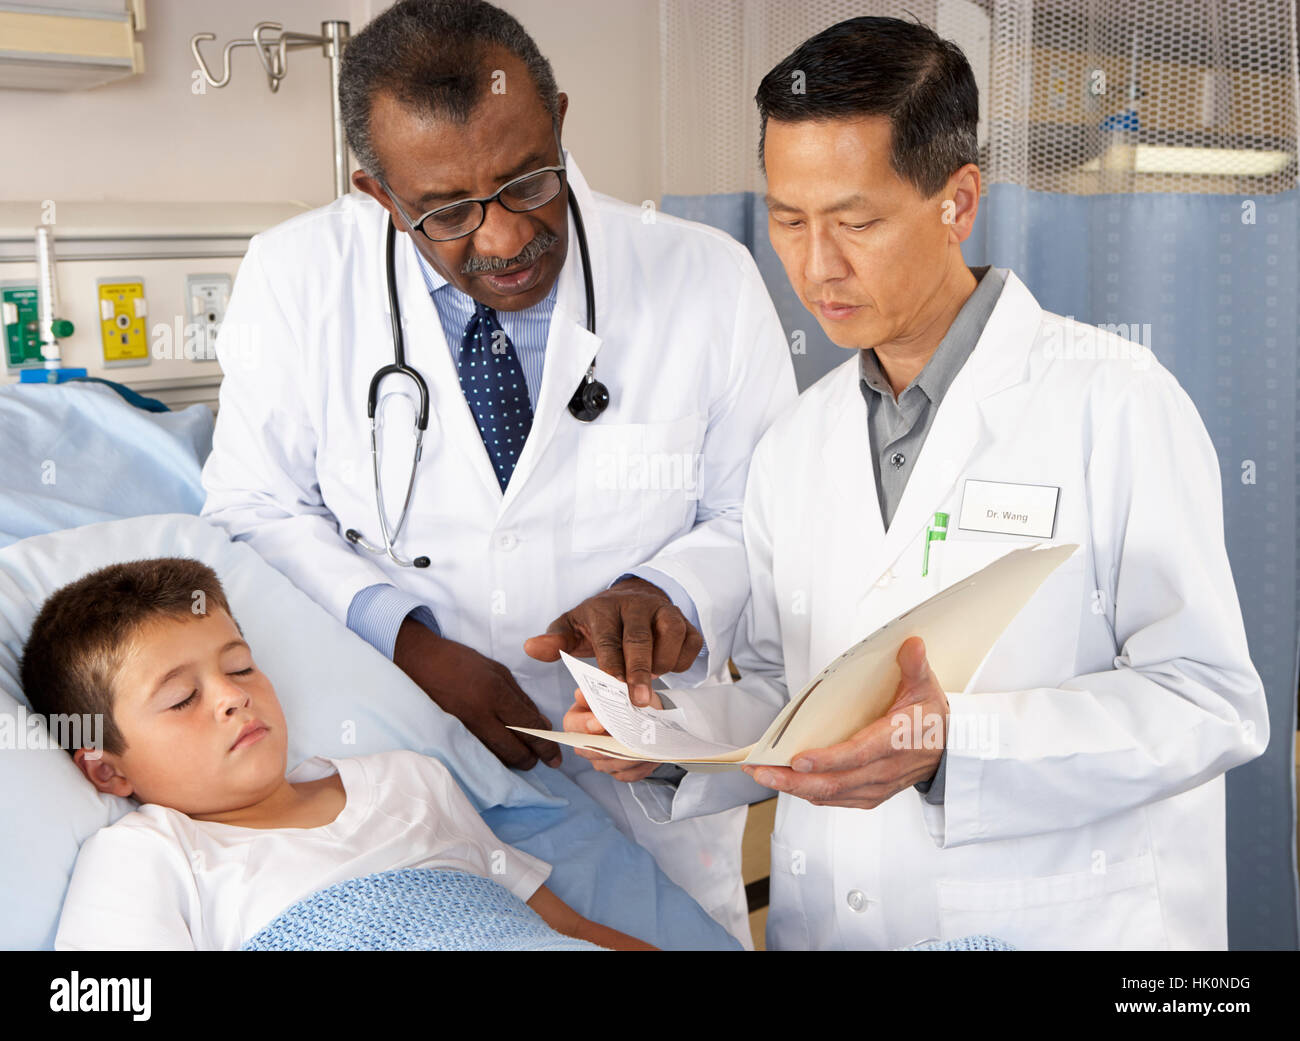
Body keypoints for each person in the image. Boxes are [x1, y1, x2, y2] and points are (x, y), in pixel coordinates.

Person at [571, 15, 1269, 950]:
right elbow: (789, 692)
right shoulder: (798, 441)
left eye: (856, 221)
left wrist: (952, 746)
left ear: (958, 202)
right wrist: (660, 735)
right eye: (789, 220)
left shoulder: (1116, 402)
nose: (816, 265)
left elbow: (1208, 701)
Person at [198, 0, 795, 945]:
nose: (507, 239)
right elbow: (251, 507)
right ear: (378, 194)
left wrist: (667, 589)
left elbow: (762, 511)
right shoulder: (296, 278)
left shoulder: (706, 277)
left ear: (557, 119)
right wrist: (411, 649)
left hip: (639, 772)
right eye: (447, 212)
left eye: (527, 182)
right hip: (408, 771)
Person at [23, 558, 654, 951]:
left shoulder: (409, 780)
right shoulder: (150, 855)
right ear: (108, 768)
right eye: (183, 698)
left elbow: (567, 930)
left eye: (240, 667)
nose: (233, 697)